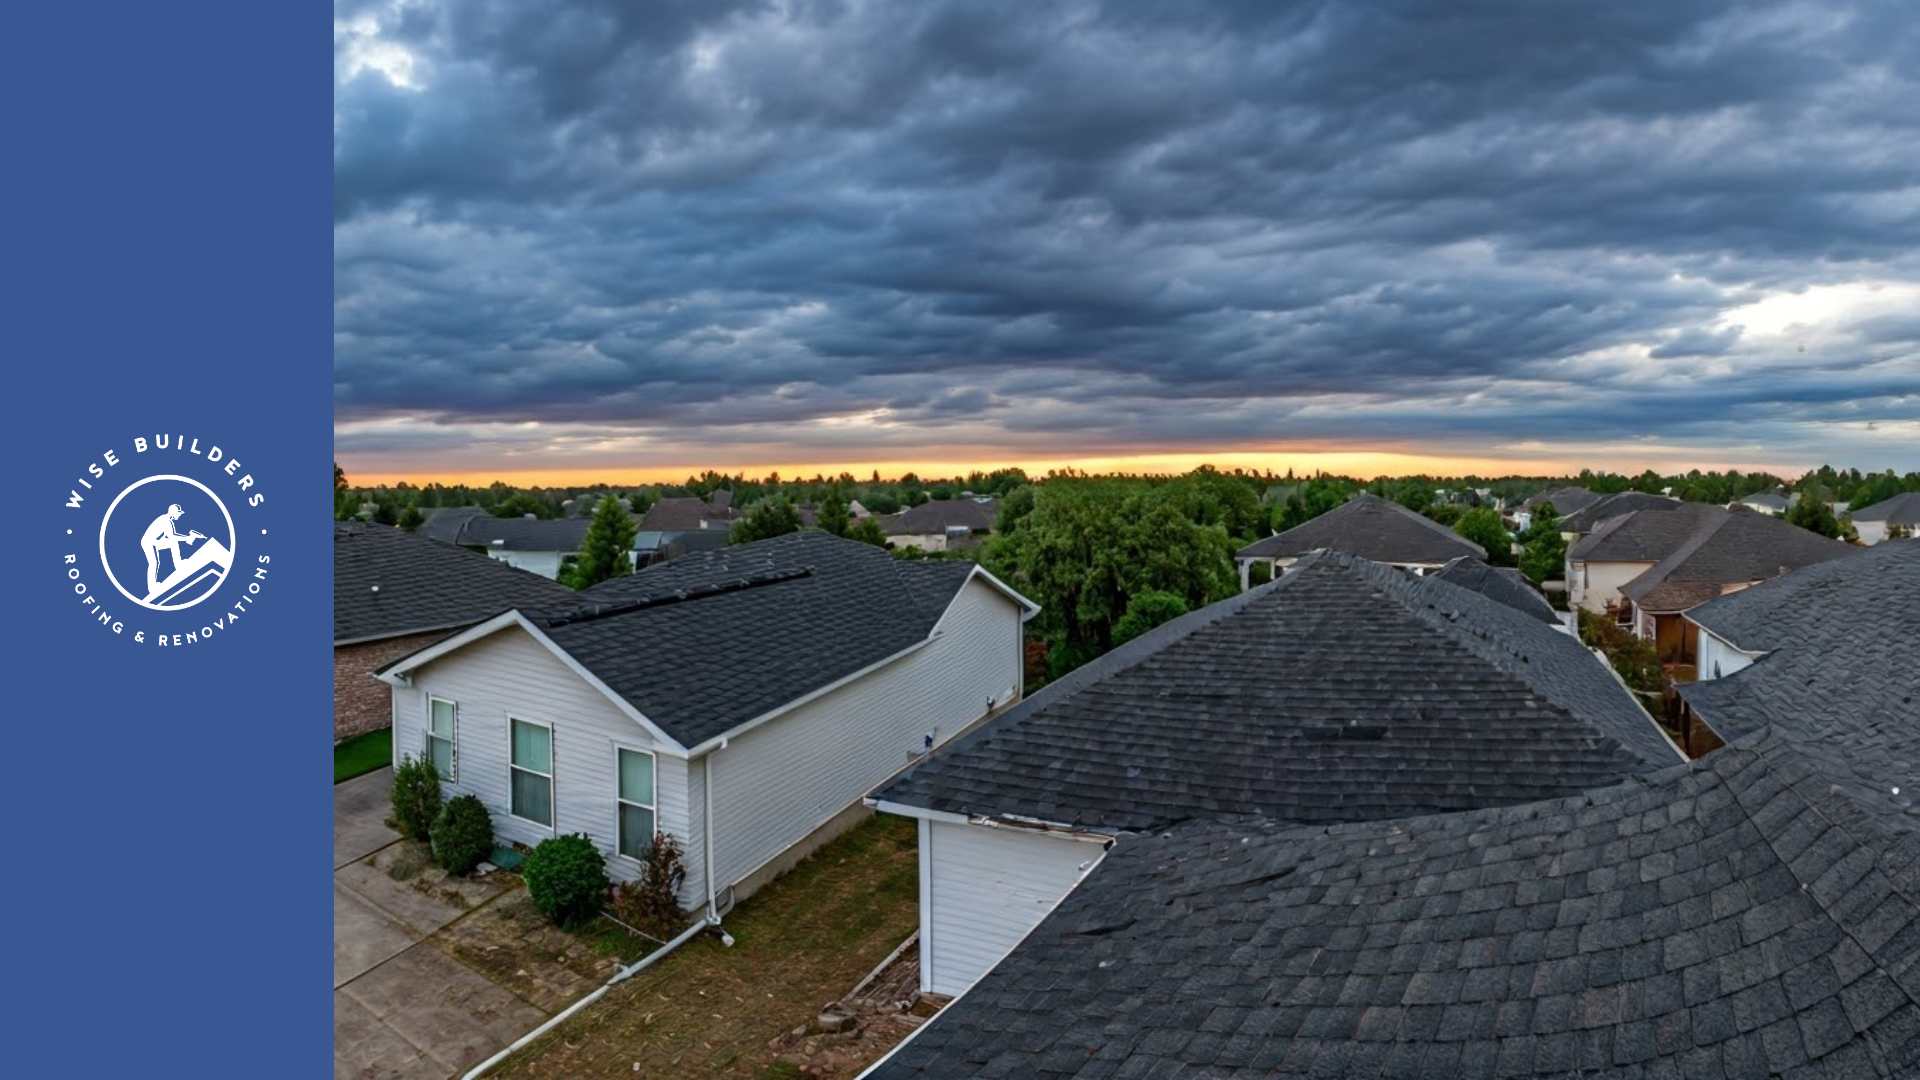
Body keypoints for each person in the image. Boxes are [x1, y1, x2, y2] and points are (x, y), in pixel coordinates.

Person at [142, 503, 205, 594]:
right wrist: (187, 538)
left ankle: (178, 564)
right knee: (154, 563)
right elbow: (172, 536)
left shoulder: (166, 519)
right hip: (149, 543)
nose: (179, 515)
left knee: (173, 543)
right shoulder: (165, 521)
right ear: (173, 512)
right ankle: (152, 588)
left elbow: (170, 536)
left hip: (155, 541)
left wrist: (187, 538)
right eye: (178, 513)